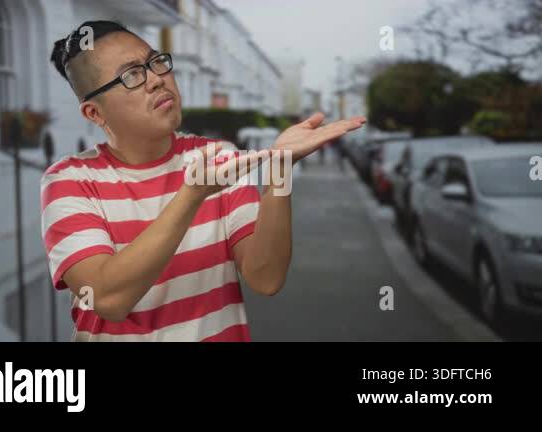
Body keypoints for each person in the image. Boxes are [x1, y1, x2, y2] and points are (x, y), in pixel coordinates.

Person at [42, 21, 366, 341]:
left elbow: (265, 277)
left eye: (156, 62)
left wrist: (279, 173)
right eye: (131, 75)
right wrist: (192, 194)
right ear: (95, 114)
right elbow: (109, 300)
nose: (156, 79)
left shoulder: (217, 157)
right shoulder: (70, 180)